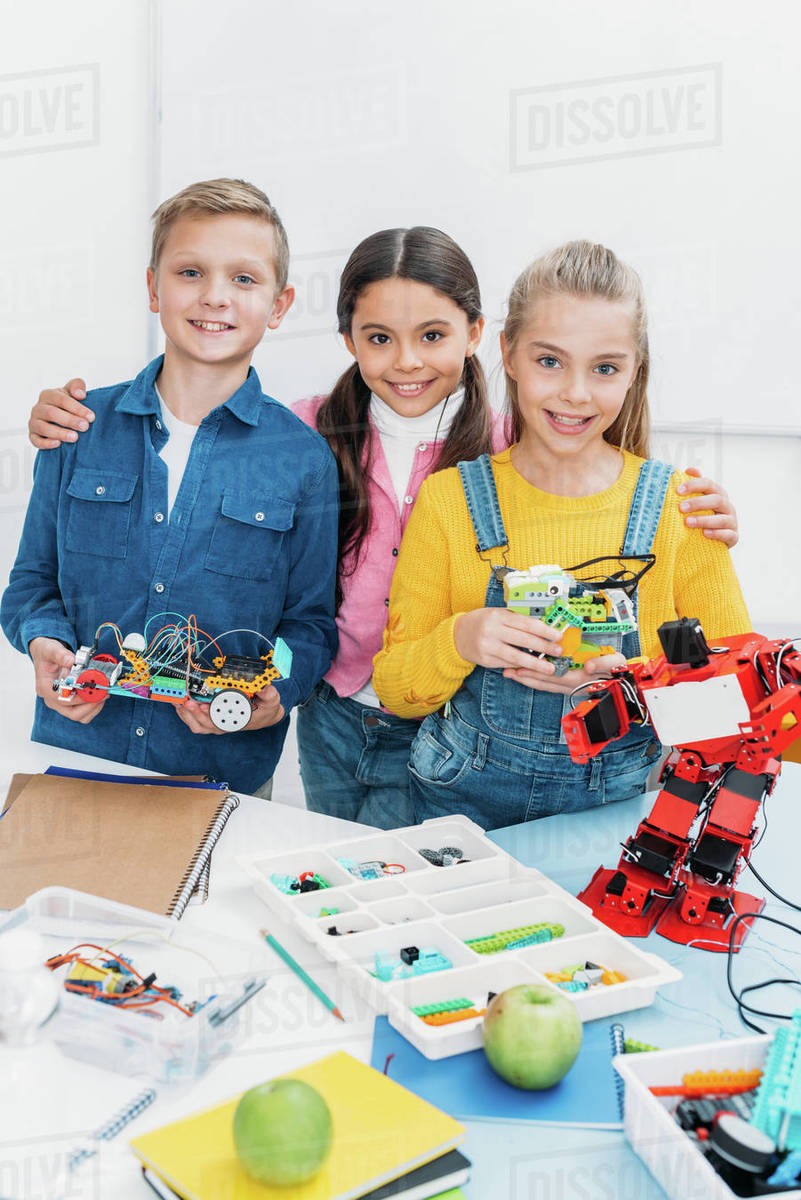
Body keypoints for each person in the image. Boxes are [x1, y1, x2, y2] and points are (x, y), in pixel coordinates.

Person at [28, 232, 739, 827]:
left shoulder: (511, 446)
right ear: (347, 339)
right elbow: (202, 435)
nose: (406, 360)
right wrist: (75, 417)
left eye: (431, 335)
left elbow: (599, 501)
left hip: (448, 725)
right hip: (332, 708)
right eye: (378, 338)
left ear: (475, 336)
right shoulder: (302, 433)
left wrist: (693, 520)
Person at [372, 240, 751, 831]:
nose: (576, 392)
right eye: (550, 360)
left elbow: (736, 705)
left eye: (604, 368)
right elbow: (395, 691)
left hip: (614, 820)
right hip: (462, 822)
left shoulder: (682, 511)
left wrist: (622, 687)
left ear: (633, 372)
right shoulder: (451, 502)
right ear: (510, 353)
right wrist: (461, 639)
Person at [2, 178, 338, 796]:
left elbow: (309, 627)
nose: (215, 297)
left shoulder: (304, 459)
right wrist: (43, 642)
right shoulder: (78, 428)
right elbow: (30, 583)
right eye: (190, 272)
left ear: (280, 303)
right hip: (76, 760)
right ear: (154, 287)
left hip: (222, 778)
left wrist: (277, 690)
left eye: (243, 279)